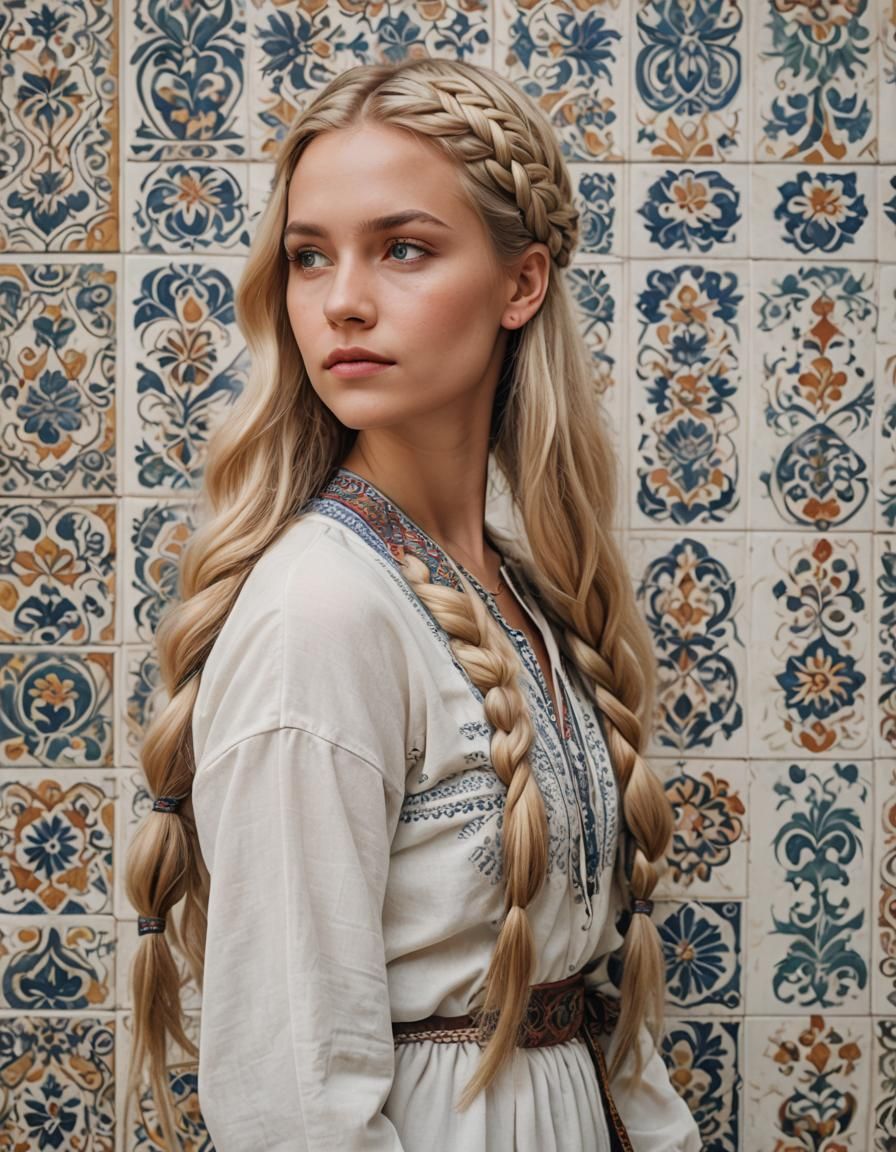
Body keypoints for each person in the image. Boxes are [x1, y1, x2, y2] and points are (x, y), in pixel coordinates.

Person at [123, 57, 703, 1152]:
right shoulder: (322, 611)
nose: (340, 298)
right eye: (307, 257)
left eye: (402, 248)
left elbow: (585, 1007)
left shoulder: (524, 591)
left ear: (519, 284)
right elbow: (292, 1096)